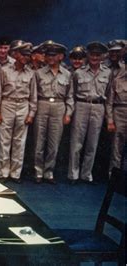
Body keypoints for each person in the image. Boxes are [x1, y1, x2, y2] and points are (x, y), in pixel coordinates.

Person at [68, 42, 111, 185]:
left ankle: (86, 175)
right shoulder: (78, 72)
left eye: (98, 55)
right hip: (81, 105)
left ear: (103, 57)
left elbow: (109, 94)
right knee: (76, 142)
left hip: (98, 107)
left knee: (92, 143)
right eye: (92, 54)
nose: (94, 57)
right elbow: (72, 94)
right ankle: (73, 175)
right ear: (88, 55)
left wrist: (107, 115)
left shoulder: (107, 72)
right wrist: (71, 111)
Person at [0, 40, 37, 184]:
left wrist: (31, 114)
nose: (26, 57)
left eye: (28, 55)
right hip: (7, 104)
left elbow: (33, 96)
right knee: (4, 140)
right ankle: (4, 172)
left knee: (19, 141)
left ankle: (15, 174)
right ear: (16, 54)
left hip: (23, 105)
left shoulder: (31, 73)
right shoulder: (5, 70)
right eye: (23, 54)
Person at [32, 42, 73, 184]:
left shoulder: (67, 74)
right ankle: (38, 171)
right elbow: (34, 94)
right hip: (42, 104)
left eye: (53, 55)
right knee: (39, 140)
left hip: (59, 106)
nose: (50, 58)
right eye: (48, 55)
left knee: (54, 142)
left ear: (61, 56)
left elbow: (70, 95)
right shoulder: (38, 73)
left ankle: (49, 172)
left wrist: (68, 113)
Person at [106, 62, 126, 175]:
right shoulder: (117, 81)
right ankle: (113, 178)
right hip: (119, 113)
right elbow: (109, 103)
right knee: (116, 148)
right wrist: (110, 121)